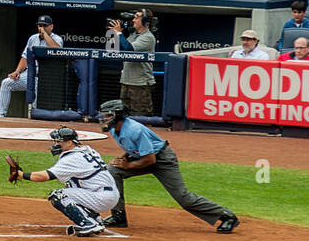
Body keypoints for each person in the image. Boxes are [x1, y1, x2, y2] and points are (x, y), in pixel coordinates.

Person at [99, 99, 239, 233]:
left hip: (162, 159)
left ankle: (227, 216)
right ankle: (118, 217)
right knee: (113, 171)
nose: (105, 119)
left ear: (119, 115)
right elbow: (133, 147)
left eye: (109, 115)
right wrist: (123, 158)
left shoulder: (134, 130)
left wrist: (128, 166)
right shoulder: (114, 129)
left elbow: (150, 159)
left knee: (183, 198)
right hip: (144, 157)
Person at [5, 126, 119, 237]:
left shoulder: (72, 159)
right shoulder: (87, 150)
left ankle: (89, 224)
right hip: (106, 193)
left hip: (101, 196)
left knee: (59, 195)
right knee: (70, 184)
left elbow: (45, 176)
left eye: (58, 141)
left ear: (69, 143)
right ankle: (95, 220)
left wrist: (21, 175)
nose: (55, 145)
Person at [0, 14, 60, 118]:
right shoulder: (33, 38)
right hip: (29, 75)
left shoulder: (56, 39)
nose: (41, 28)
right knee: (6, 83)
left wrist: (45, 35)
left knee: (35, 109)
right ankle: (0, 115)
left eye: (45, 26)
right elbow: (25, 57)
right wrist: (17, 71)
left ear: (51, 27)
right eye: (40, 26)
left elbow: (56, 49)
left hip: (45, 79)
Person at [107, 9, 156, 116]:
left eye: (137, 17)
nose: (133, 20)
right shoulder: (132, 35)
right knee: (123, 116)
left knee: (140, 116)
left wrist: (119, 33)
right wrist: (113, 33)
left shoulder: (148, 37)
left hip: (140, 84)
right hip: (126, 81)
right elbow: (114, 49)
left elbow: (129, 49)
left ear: (145, 22)